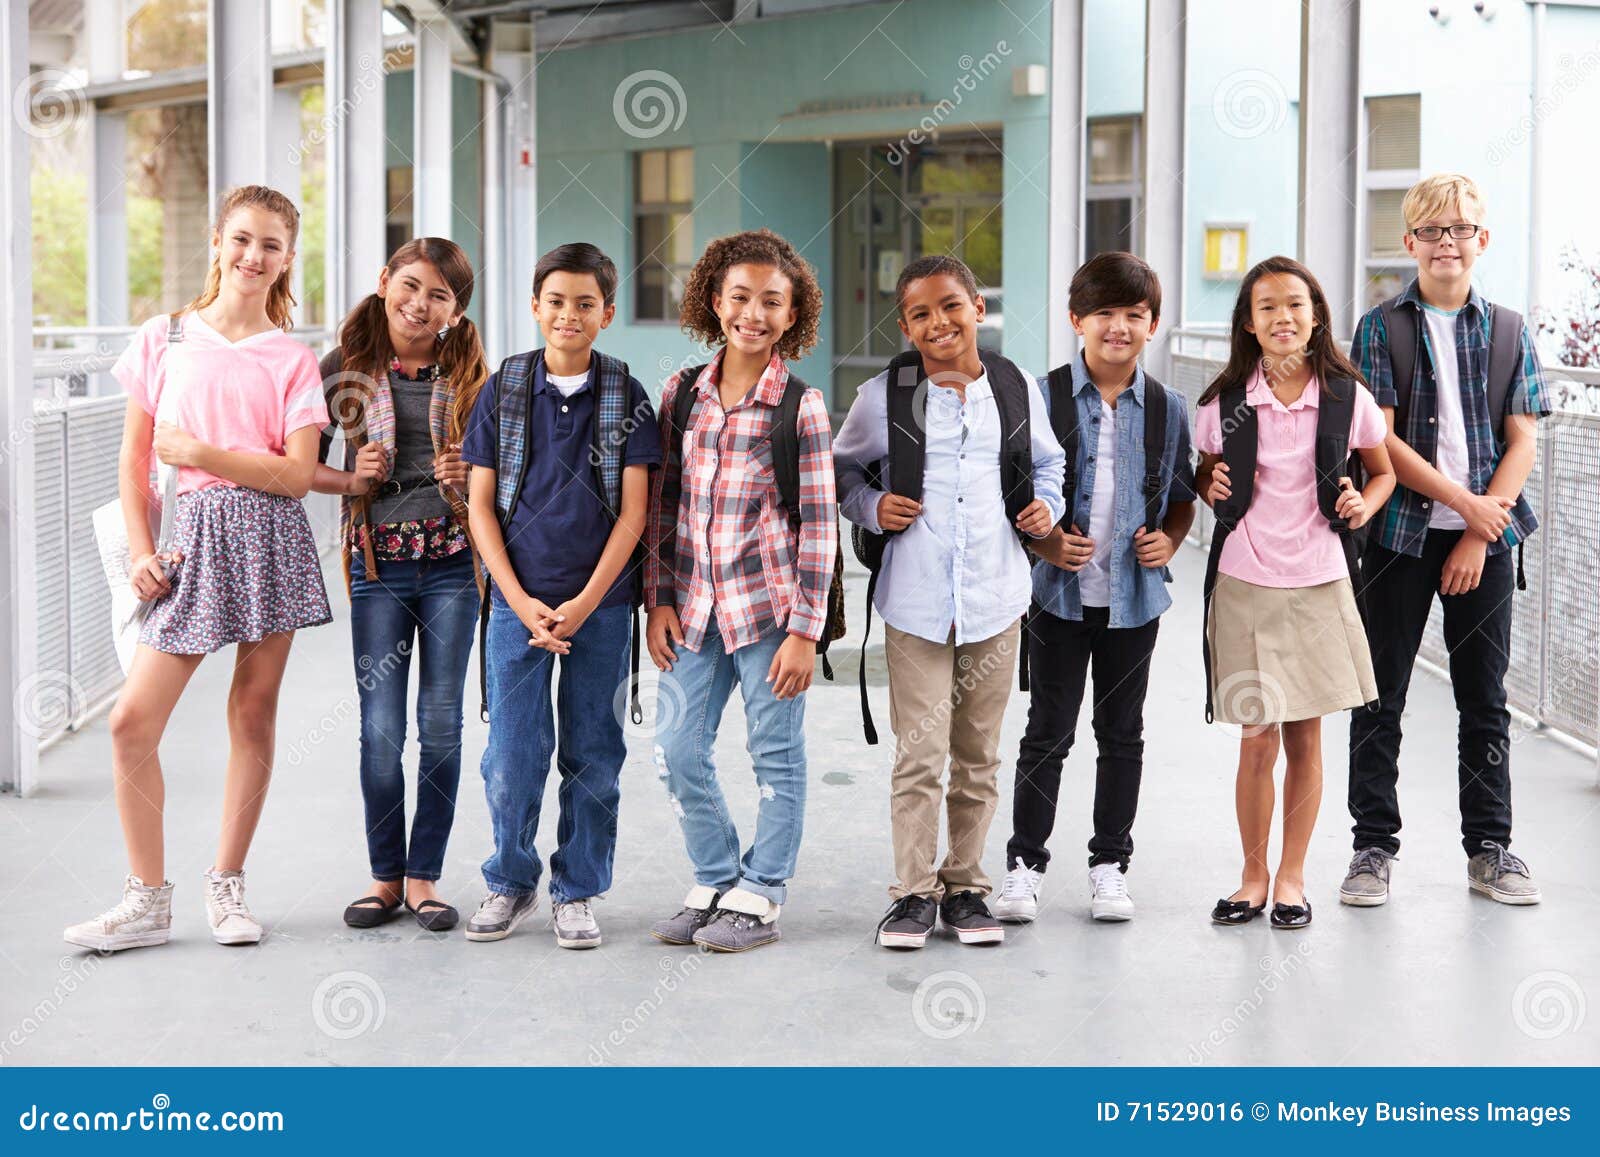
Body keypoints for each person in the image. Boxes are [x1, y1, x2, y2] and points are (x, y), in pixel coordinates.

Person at [65, 185, 331, 952]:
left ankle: (228, 884)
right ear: (217, 239)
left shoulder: (292, 357)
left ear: (287, 259)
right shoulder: (165, 337)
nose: (254, 256)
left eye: (271, 245)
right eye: (242, 238)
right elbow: (135, 459)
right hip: (195, 535)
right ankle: (146, 899)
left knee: (252, 712)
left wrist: (207, 456)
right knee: (130, 721)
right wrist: (144, 550)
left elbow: (298, 474)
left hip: (273, 537)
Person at [833, 254, 1066, 950]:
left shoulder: (1016, 385)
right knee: (919, 754)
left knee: (977, 753)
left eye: (951, 306)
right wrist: (873, 505)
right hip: (917, 600)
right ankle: (911, 894)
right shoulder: (883, 394)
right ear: (905, 324)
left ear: (977, 309)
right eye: (922, 313)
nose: (939, 322)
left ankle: (965, 886)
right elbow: (841, 471)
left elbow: (1050, 462)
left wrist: (1046, 507)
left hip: (997, 596)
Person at [1343, 173, 1550, 907]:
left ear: (1481, 239)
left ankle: (1490, 848)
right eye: (1431, 230)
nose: (1446, 241)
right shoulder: (1380, 328)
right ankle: (1372, 848)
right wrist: (1460, 504)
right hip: (1399, 536)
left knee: (1484, 701)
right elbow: (1383, 445)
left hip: (1485, 540)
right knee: (1380, 695)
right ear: (1409, 243)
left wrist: (1477, 526)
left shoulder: (1508, 329)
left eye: (1460, 228)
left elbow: (1523, 436)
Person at [461, 242, 661, 948]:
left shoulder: (627, 395)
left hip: (600, 609)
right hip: (517, 606)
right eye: (556, 301)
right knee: (512, 753)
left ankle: (577, 889)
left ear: (606, 313)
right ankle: (511, 880)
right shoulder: (504, 389)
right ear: (535, 306)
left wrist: (583, 603)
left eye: (584, 303)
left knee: (594, 750)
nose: (568, 314)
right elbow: (480, 505)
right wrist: (518, 602)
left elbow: (635, 514)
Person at [645, 229, 837, 953]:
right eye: (740, 297)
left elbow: (819, 524)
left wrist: (804, 630)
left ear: (793, 315)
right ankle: (717, 874)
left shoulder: (801, 405)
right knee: (676, 748)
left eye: (772, 302)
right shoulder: (681, 393)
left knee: (773, 754)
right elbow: (663, 503)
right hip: (692, 607)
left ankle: (761, 892)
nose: (753, 313)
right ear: (713, 301)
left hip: (767, 613)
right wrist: (657, 599)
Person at [994, 252, 1196, 925]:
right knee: (1046, 733)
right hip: (1056, 595)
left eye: (1134, 315)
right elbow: (1012, 494)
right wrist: (1048, 541)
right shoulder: (1041, 396)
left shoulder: (1168, 407)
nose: (1119, 327)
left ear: (1153, 324)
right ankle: (1024, 864)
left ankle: (1111, 864)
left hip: (1134, 600)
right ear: (1076, 318)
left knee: (1122, 733)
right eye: (1104, 313)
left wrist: (1169, 537)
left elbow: (1183, 497)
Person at [1194, 256, 1394, 930]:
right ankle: (1252, 876)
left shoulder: (1347, 397)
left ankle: (1292, 878)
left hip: (1318, 578)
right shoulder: (1222, 402)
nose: (1283, 317)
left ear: (1316, 318)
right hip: (1246, 578)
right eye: (1268, 306)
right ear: (1248, 322)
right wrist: (1206, 485)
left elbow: (1384, 471)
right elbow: (1207, 472)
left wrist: (1365, 503)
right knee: (1257, 738)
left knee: (1305, 737)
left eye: (1296, 305)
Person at [310, 237, 489, 933]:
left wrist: (464, 477)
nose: (420, 303)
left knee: (440, 727)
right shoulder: (344, 370)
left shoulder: (472, 373)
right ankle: (384, 877)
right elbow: (301, 463)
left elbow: (504, 475)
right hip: (378, 566)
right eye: (410, 285)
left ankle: (424, 879)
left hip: (451, 565)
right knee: (380, 730)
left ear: (454, 310)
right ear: (385, 281)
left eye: (439, 295)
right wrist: (355, 476)